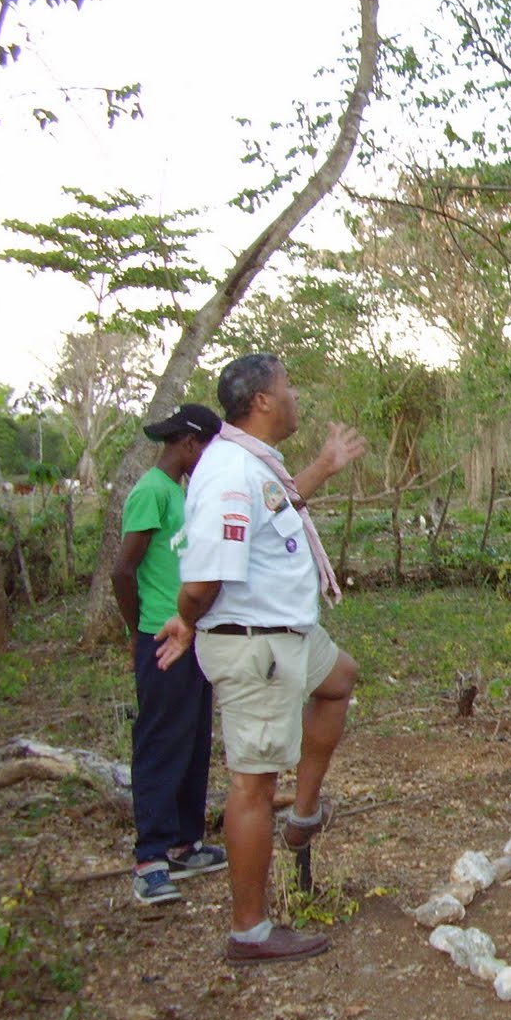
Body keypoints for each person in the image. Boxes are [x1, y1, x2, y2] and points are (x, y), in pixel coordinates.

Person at [156, 353, 367, 964]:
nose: (295, 394)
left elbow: (280, 508)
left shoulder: (254, 465)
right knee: (251, 783)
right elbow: (205, 579)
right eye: (288, 386)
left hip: (291, 633)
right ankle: (249, 931)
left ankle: (303, 814)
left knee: (340, 679)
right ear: (263, 402)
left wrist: (325, 466)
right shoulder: (226, 473)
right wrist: (188, 619)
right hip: (257, 646)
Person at [112, 403, 227, 905]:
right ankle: (150, 859)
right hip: (162, 638)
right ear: (188, 443)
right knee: (160, 742)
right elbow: (123, 570)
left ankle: (186, 841)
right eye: (205, 449)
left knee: (194, 738)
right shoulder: (150, 493)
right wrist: (138, 630)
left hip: (192, 632)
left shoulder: (182, 494)